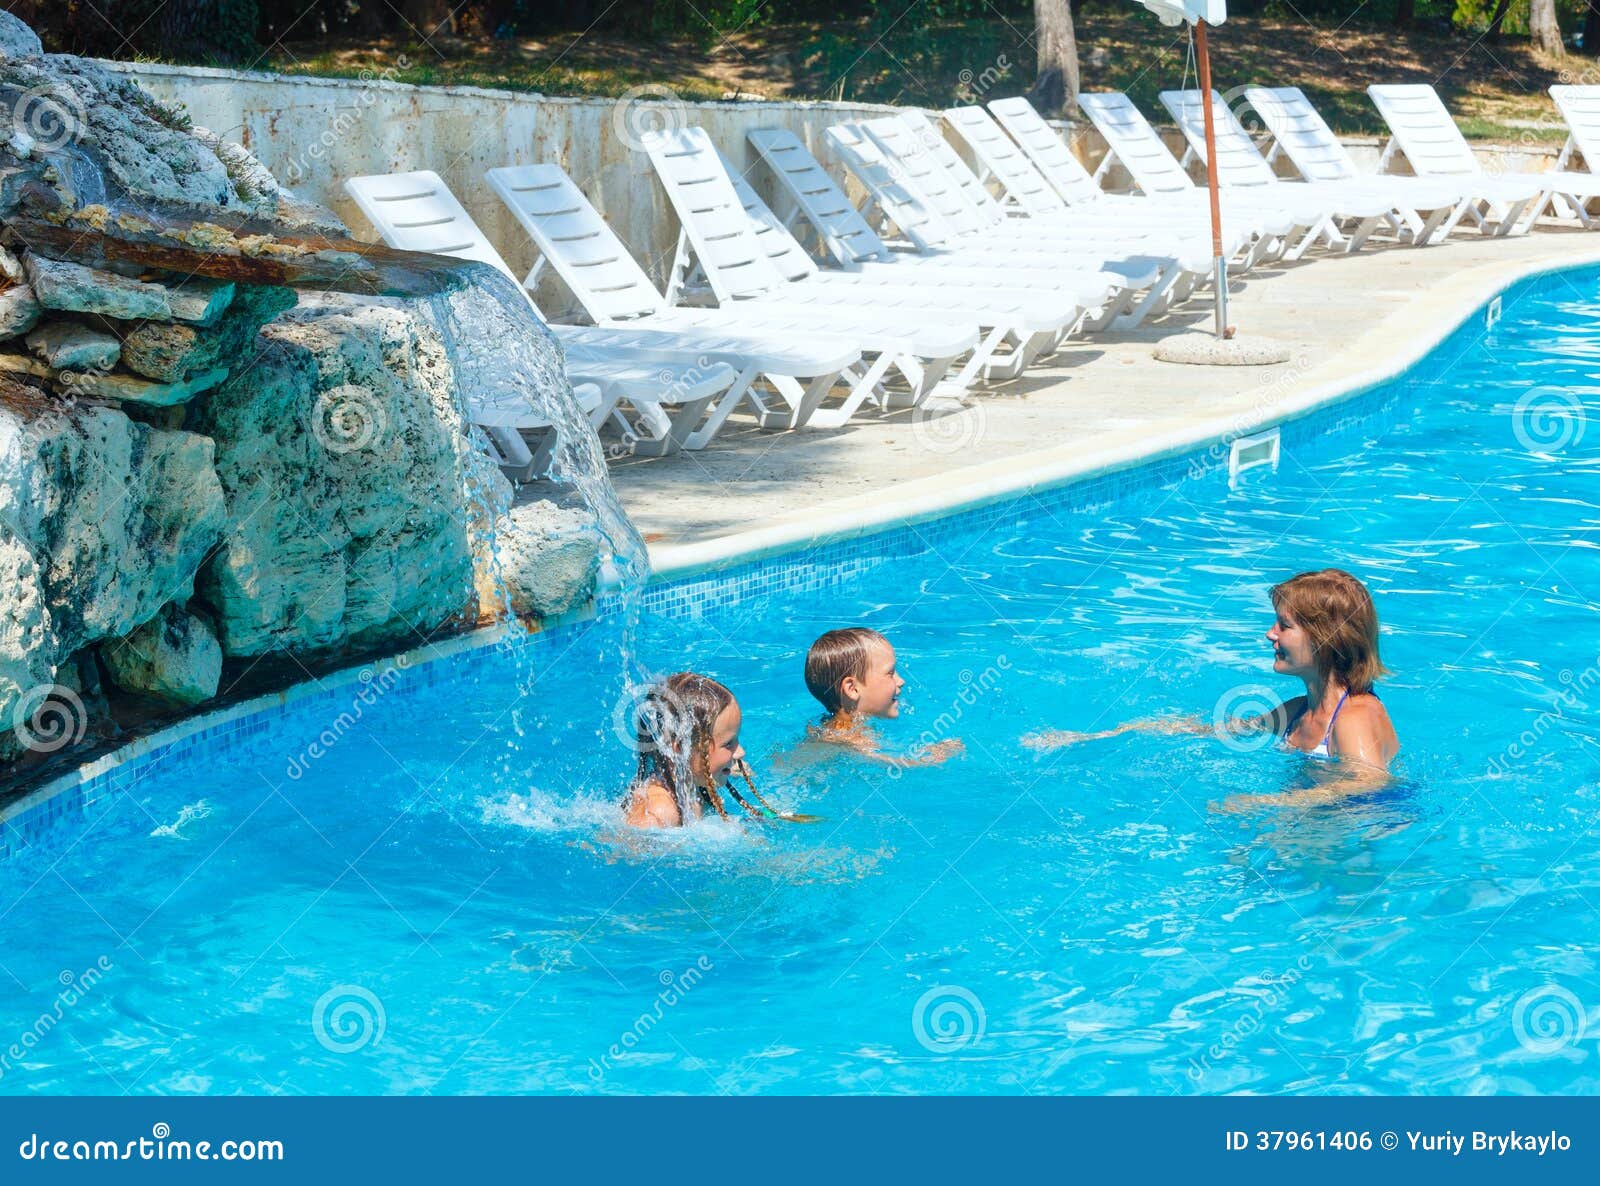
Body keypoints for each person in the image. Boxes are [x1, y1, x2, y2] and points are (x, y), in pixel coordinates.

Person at [1024, 569, 1399, 787]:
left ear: (1325, 640)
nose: (1270, 634)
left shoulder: (1353, 717)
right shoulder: (1300, 711)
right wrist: (1103, 736)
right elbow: (1220, 729)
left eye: (1284, 626)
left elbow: (1369, 787)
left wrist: (1269, 804)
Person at [622, 673, 817, 828]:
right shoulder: (658, 814)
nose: (740, 752)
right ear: (681, 749)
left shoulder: (691, 779)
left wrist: (727, 766)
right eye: (728, 743)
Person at [802, 628, 962, 766]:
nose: (901, 681)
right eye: (890, 673)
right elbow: (888, 763)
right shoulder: (847, 734)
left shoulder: (836, 725)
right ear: (852, 689)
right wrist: (929, 758)